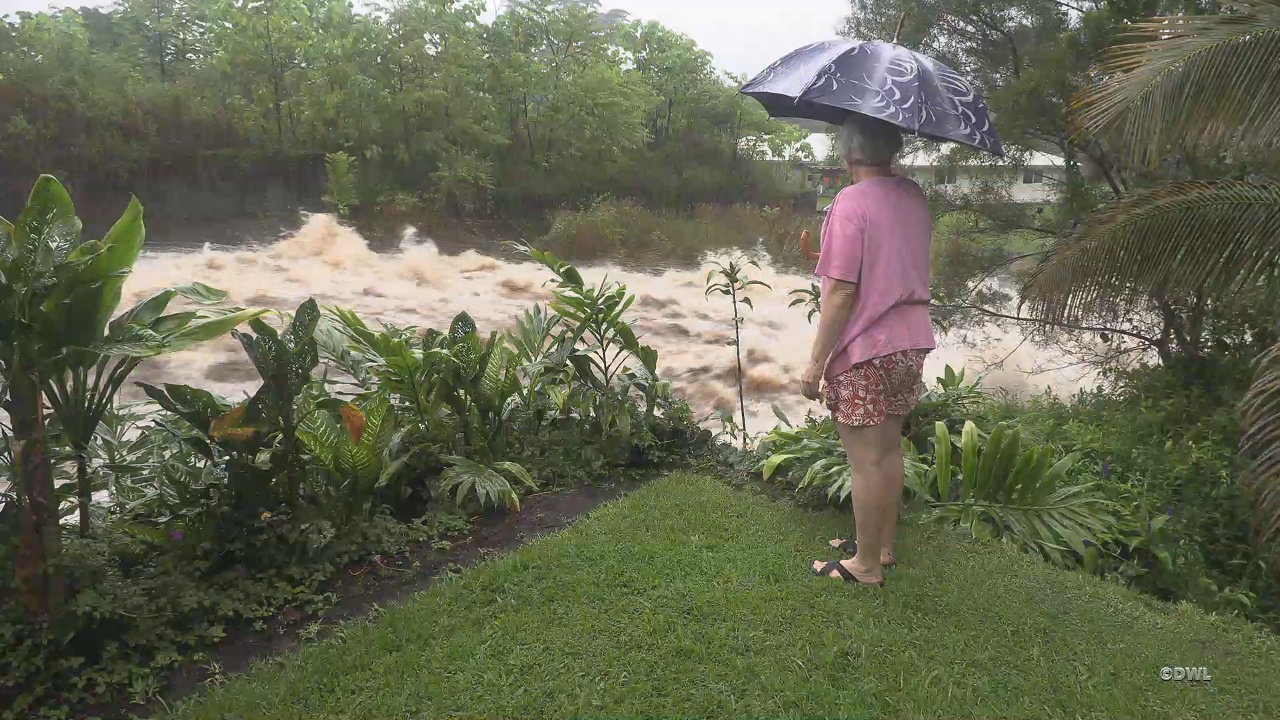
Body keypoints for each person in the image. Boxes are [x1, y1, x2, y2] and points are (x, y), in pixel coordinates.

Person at [801, 113, 935, 588]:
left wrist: (815, 363)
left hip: (866, 348)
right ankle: (880, 546)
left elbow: (839, 292)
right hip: (910, 342)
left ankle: (865, 567)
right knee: (888, 451)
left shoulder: (850, 201)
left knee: (864, 460)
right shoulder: (915, 197)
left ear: (848, 153)